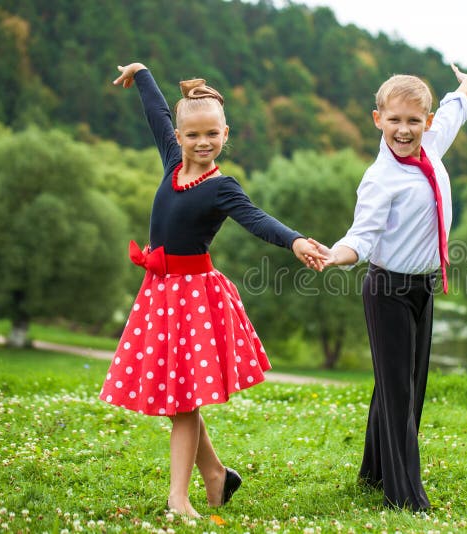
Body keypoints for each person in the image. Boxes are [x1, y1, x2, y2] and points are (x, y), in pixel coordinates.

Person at [99, 62, 326, 518]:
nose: (202, 143)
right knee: (174, 397)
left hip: (193, 299)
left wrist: (296, 240)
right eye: (192, 135)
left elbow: (258, 219)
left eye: (212, 134)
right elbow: (157, 113)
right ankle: (218, 474)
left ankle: (178, 498)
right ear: (180, 138)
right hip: (159, 293)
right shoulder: (171, 162)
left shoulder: (221, 187)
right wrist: (142, 73)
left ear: (226, 133)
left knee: (181, 401)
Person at [310, 64, 467, 511]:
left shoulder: (432, 149)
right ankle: (405, 496)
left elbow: (452, 114)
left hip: (424, 287)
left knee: (405, 386)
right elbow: (361, 237)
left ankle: (374, 472)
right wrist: (334, 254)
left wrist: (466, 87)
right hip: (388, 290)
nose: (405, 131)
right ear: (377, 119)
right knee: (399, 392)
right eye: (395, 120)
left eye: (414, 121)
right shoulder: (380, 178)